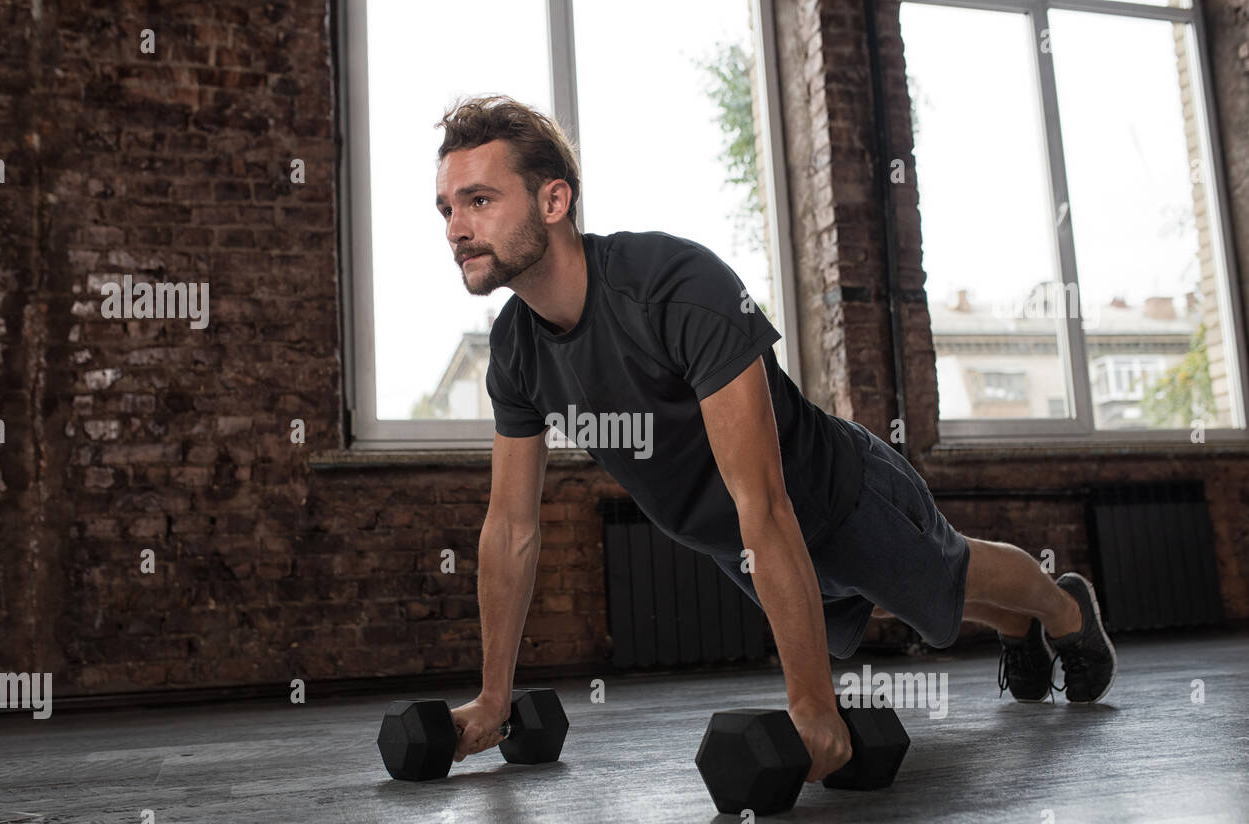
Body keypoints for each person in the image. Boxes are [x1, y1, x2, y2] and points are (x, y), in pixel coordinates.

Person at [434, 94, 1118, 781]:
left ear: (554, 201)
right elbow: (511, 527)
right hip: (751, 549)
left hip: (838, 496)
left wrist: (813, 705)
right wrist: (493, 700)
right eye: (446, 209)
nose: (456, 228)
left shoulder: (676, 288)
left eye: (479, 201)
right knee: (924, 608)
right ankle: (1016, 628)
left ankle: (1062, 607)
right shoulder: (515, 349)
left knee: (947, 582)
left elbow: (763, 500)